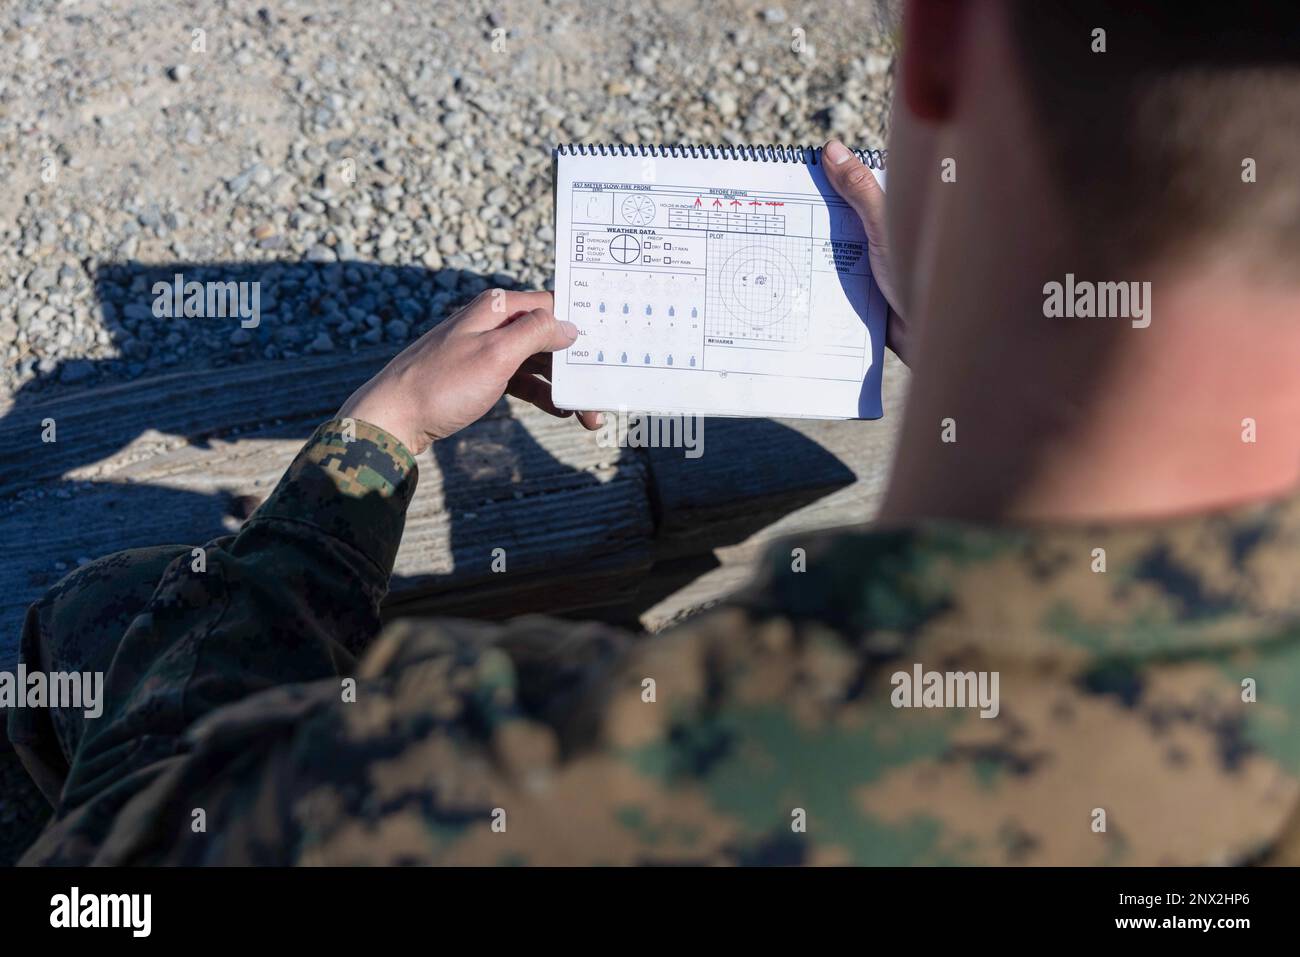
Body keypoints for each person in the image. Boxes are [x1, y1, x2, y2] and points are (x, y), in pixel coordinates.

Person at [11, 0, 1300, 865]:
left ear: (943, 51)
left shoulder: (521, 780)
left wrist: (377, 436)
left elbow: (120, 859)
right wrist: (990, 345)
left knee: (113, 622)